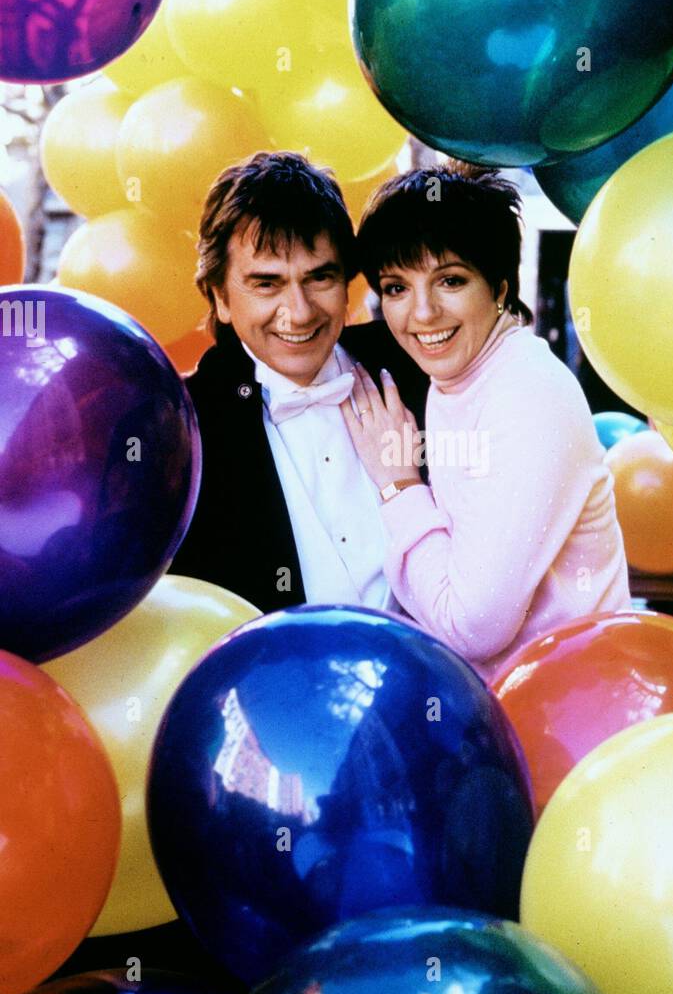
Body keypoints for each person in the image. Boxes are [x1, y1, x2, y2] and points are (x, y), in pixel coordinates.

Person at [341, 163, 631, 680]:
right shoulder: (457, 378)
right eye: (395, 288)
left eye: (449, 280)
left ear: (499, 286)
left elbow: (474, 627)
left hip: (571, 719)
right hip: (516, 713)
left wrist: (399, 485)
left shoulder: (525, 391)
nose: (422, 313)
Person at [169, 151, 428, 614]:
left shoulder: (422, 363)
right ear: (220, 297)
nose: (301, 311)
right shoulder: (179, 430)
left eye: (319, 277)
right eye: (267, 284)